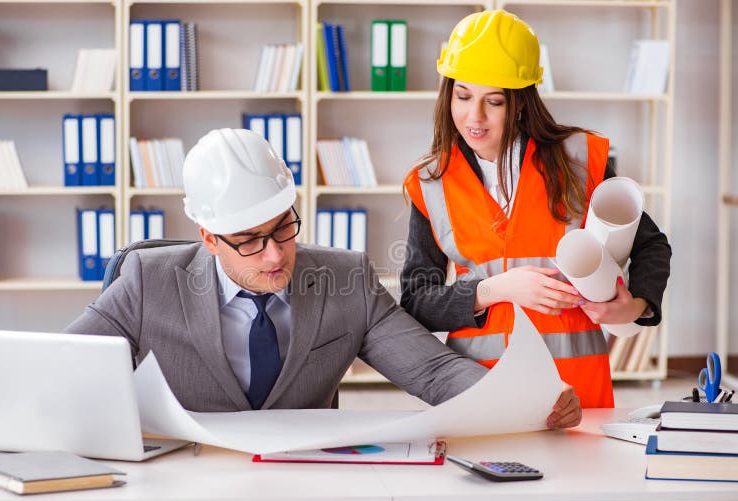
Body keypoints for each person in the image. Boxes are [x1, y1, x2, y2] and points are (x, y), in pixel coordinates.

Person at [66, 127, 581, 427]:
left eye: (283, 227)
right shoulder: (145, 282)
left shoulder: (346, 279)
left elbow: (434, 373)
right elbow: (56, 372)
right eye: (249, 240)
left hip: (303, 484)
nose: (274, 256)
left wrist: (524, 399)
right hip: (185, 486)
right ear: (207, 237)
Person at [401, 10, 671, 409]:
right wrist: (495, 290)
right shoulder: (432, 183)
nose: (474, 117)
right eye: (463, 96)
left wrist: (635, 305)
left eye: (494, 101)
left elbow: (651, 245)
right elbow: (417, 301)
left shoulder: (578, 161)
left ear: (522, 103)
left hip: (577, 394)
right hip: (478, 392)